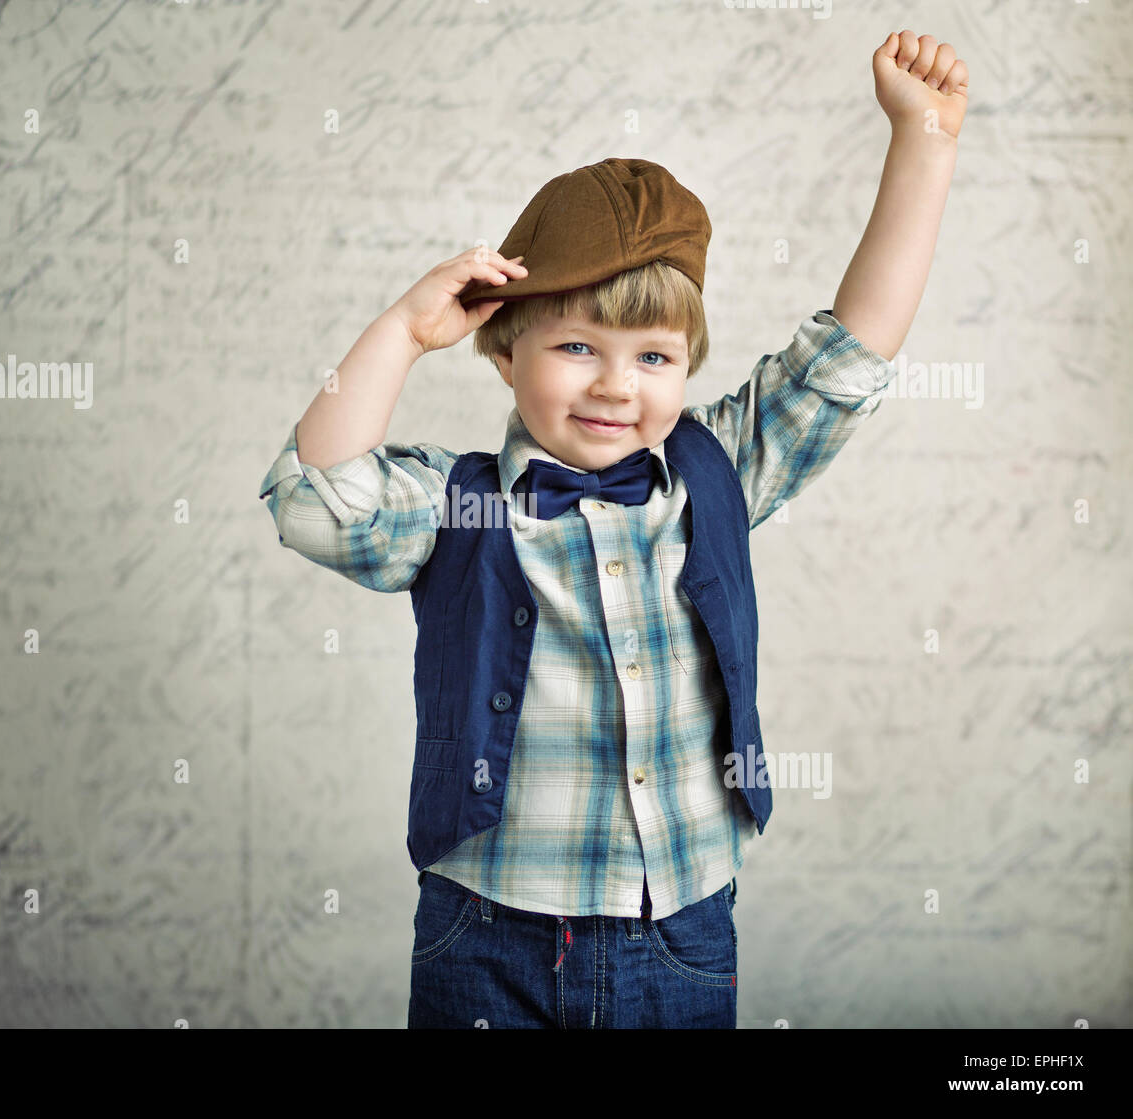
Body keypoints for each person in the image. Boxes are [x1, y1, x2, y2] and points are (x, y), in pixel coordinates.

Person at [260, 30, 968, 1028]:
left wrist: (923, 140)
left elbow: (848, 356)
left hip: (677, 934)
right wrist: (401, 334)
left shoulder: (718, 473)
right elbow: (315, 499)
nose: (612, 383)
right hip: (486, 932)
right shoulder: (460, 507)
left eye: (652, 357)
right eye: (578, 344)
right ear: (504, 348)